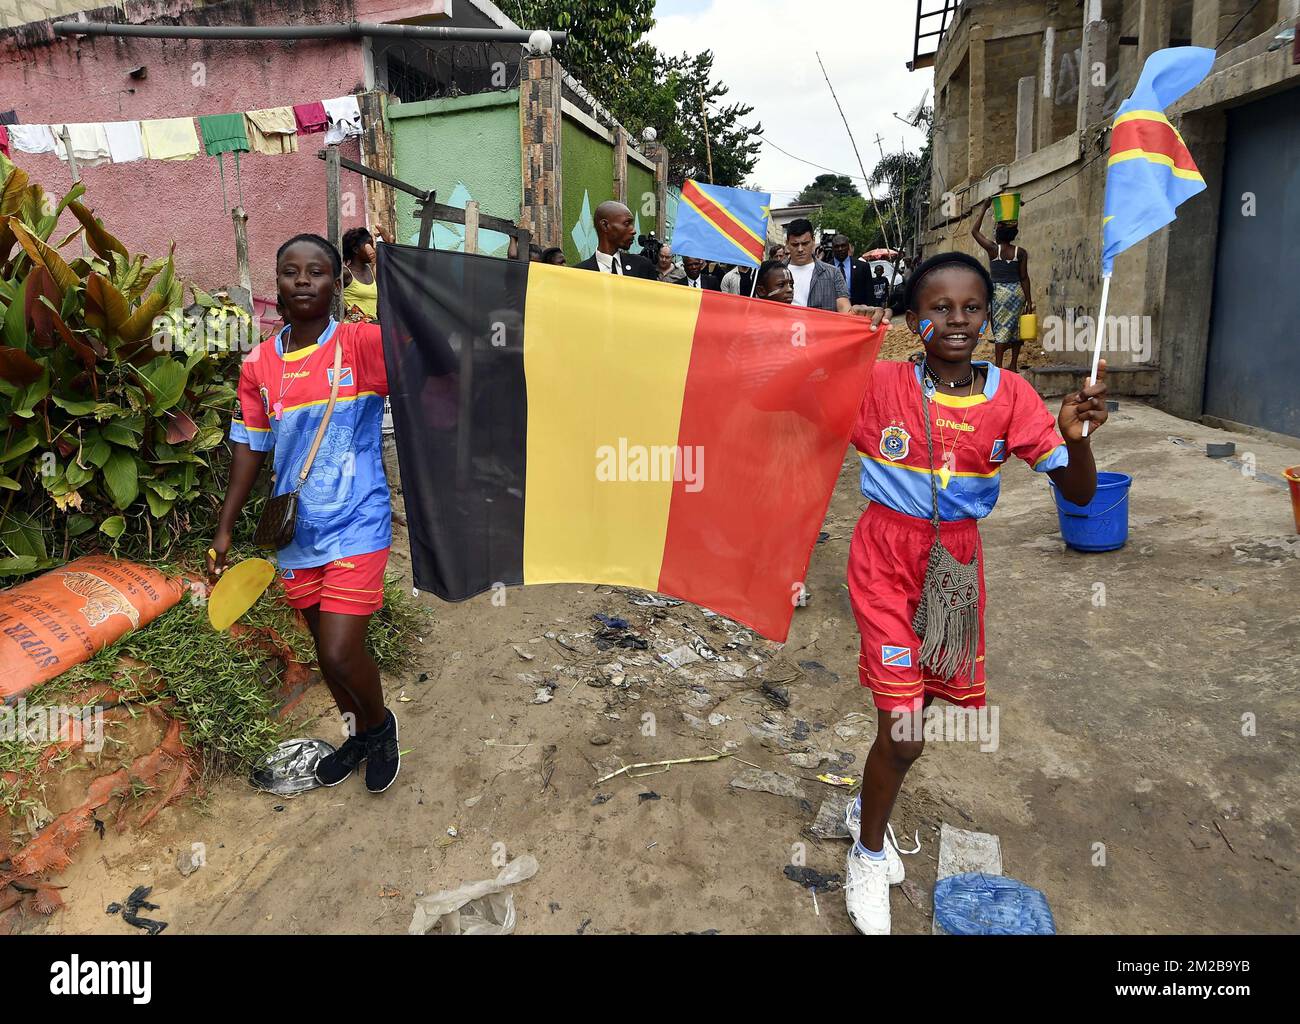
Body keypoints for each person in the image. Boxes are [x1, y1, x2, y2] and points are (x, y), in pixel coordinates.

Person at [839, 251, 1108, 935]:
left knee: (915, 707)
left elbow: (1078, 493)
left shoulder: (1012, 397)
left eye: (969, 308)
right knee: (905, 736)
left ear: (987, 318)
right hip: (883, 559)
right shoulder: (876, 384)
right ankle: (868, 855)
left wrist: (1075, 441)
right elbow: (783, 393)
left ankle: (860, 806)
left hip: (954, 570)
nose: (956, 321)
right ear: (912, 321)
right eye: (938, 308)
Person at [209, 233, 401, 794]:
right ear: (277, 282)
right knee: (326, 654)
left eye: (315, 271)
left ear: (337, 281)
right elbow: (250, 448)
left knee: (342, 649)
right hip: (295, 531)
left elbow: (420, 363)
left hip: (357, 519)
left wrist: (393, 276)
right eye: (290, 271)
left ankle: (381, 727)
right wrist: (224, 530)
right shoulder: (259, 365)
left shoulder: (362, 346)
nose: (301, 281)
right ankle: (361, 735)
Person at [973, 198, 1034, 372]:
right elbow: (1024, 277)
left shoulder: (993, 249)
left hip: (999, 293)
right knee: (1016, 329)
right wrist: (1029, 301)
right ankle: (1013, 364)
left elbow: (974, 231)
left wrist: (984, 207)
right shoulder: (1020, 252)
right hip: (1016, 292)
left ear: (998, 233)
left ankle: (999, 366)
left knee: (1000, 330)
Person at [575, 200, 658, 280]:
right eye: (627, 223)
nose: (633, 231)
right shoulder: (579, 274)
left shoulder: (643, 267)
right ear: (605, 225)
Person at [785, 218, 850, 312]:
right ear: (787, 244)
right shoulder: (774, 273)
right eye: (795, 244)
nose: (800, 249)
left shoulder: (833, 273)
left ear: (813, 241)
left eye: (805, 243)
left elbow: (844, 308)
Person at [341, 226, 388, 322]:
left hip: (373, 329)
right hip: (354, 331)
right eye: (369, 245)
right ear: (356, 250)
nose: (373, 249)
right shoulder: (345, 273)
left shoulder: (373, 270)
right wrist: (358, 317)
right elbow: (333, 301)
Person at [829, 234, 874, 306]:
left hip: (859, 311)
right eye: (836, 246)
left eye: (843, 246)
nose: (840, 249)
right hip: (834, 311)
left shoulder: (863, 267)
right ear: (832, 248)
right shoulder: (826, 268)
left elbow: (870, 294)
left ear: (848, 247)